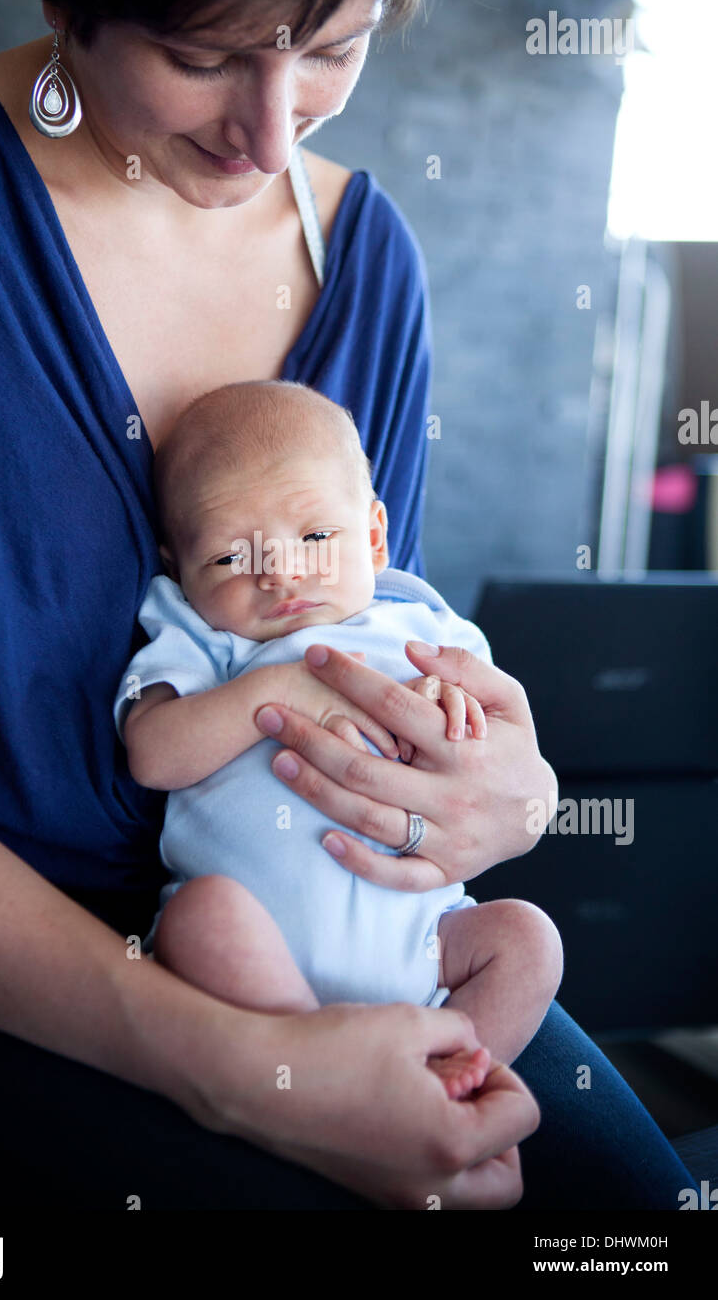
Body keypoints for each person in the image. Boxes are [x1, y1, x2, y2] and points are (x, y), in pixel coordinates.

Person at [0, 0, 696, 1210]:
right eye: (205, 54)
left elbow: (366, 637)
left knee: (629, 1215)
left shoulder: (369, 263)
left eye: (332, 48)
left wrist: (512, 798)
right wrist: (255, 1070)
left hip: (355, 924)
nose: (270, 129)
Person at [116, 379, 564, 1097]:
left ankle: (453, 1074)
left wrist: (453, 708)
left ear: (376, 536)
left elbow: (492, 748)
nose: (281, 574)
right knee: (199, 919)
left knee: (529, 941)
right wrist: (277, 689)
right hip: (257, 956)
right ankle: (317, 1077)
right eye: (231, 558)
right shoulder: (204, 636)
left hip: (422, 948)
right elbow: (153, 754)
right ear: (177, 567)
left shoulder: (423, 626)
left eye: (317, 537)